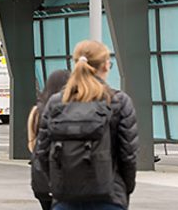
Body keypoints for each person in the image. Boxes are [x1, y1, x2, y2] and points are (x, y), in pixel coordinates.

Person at [34, 40, 138, 210]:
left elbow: (43, 153)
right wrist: (124, 189)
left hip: (65, 199)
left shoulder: (56, 103)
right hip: (109, 196)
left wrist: (57, 185)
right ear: (105, 66)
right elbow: (128, 155)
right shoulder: (119, 101)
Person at [28, 69, 71, 210]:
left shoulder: (36, 111)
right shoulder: (73, 109)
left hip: (42, 179)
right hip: (67, 178)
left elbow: (32, 144)